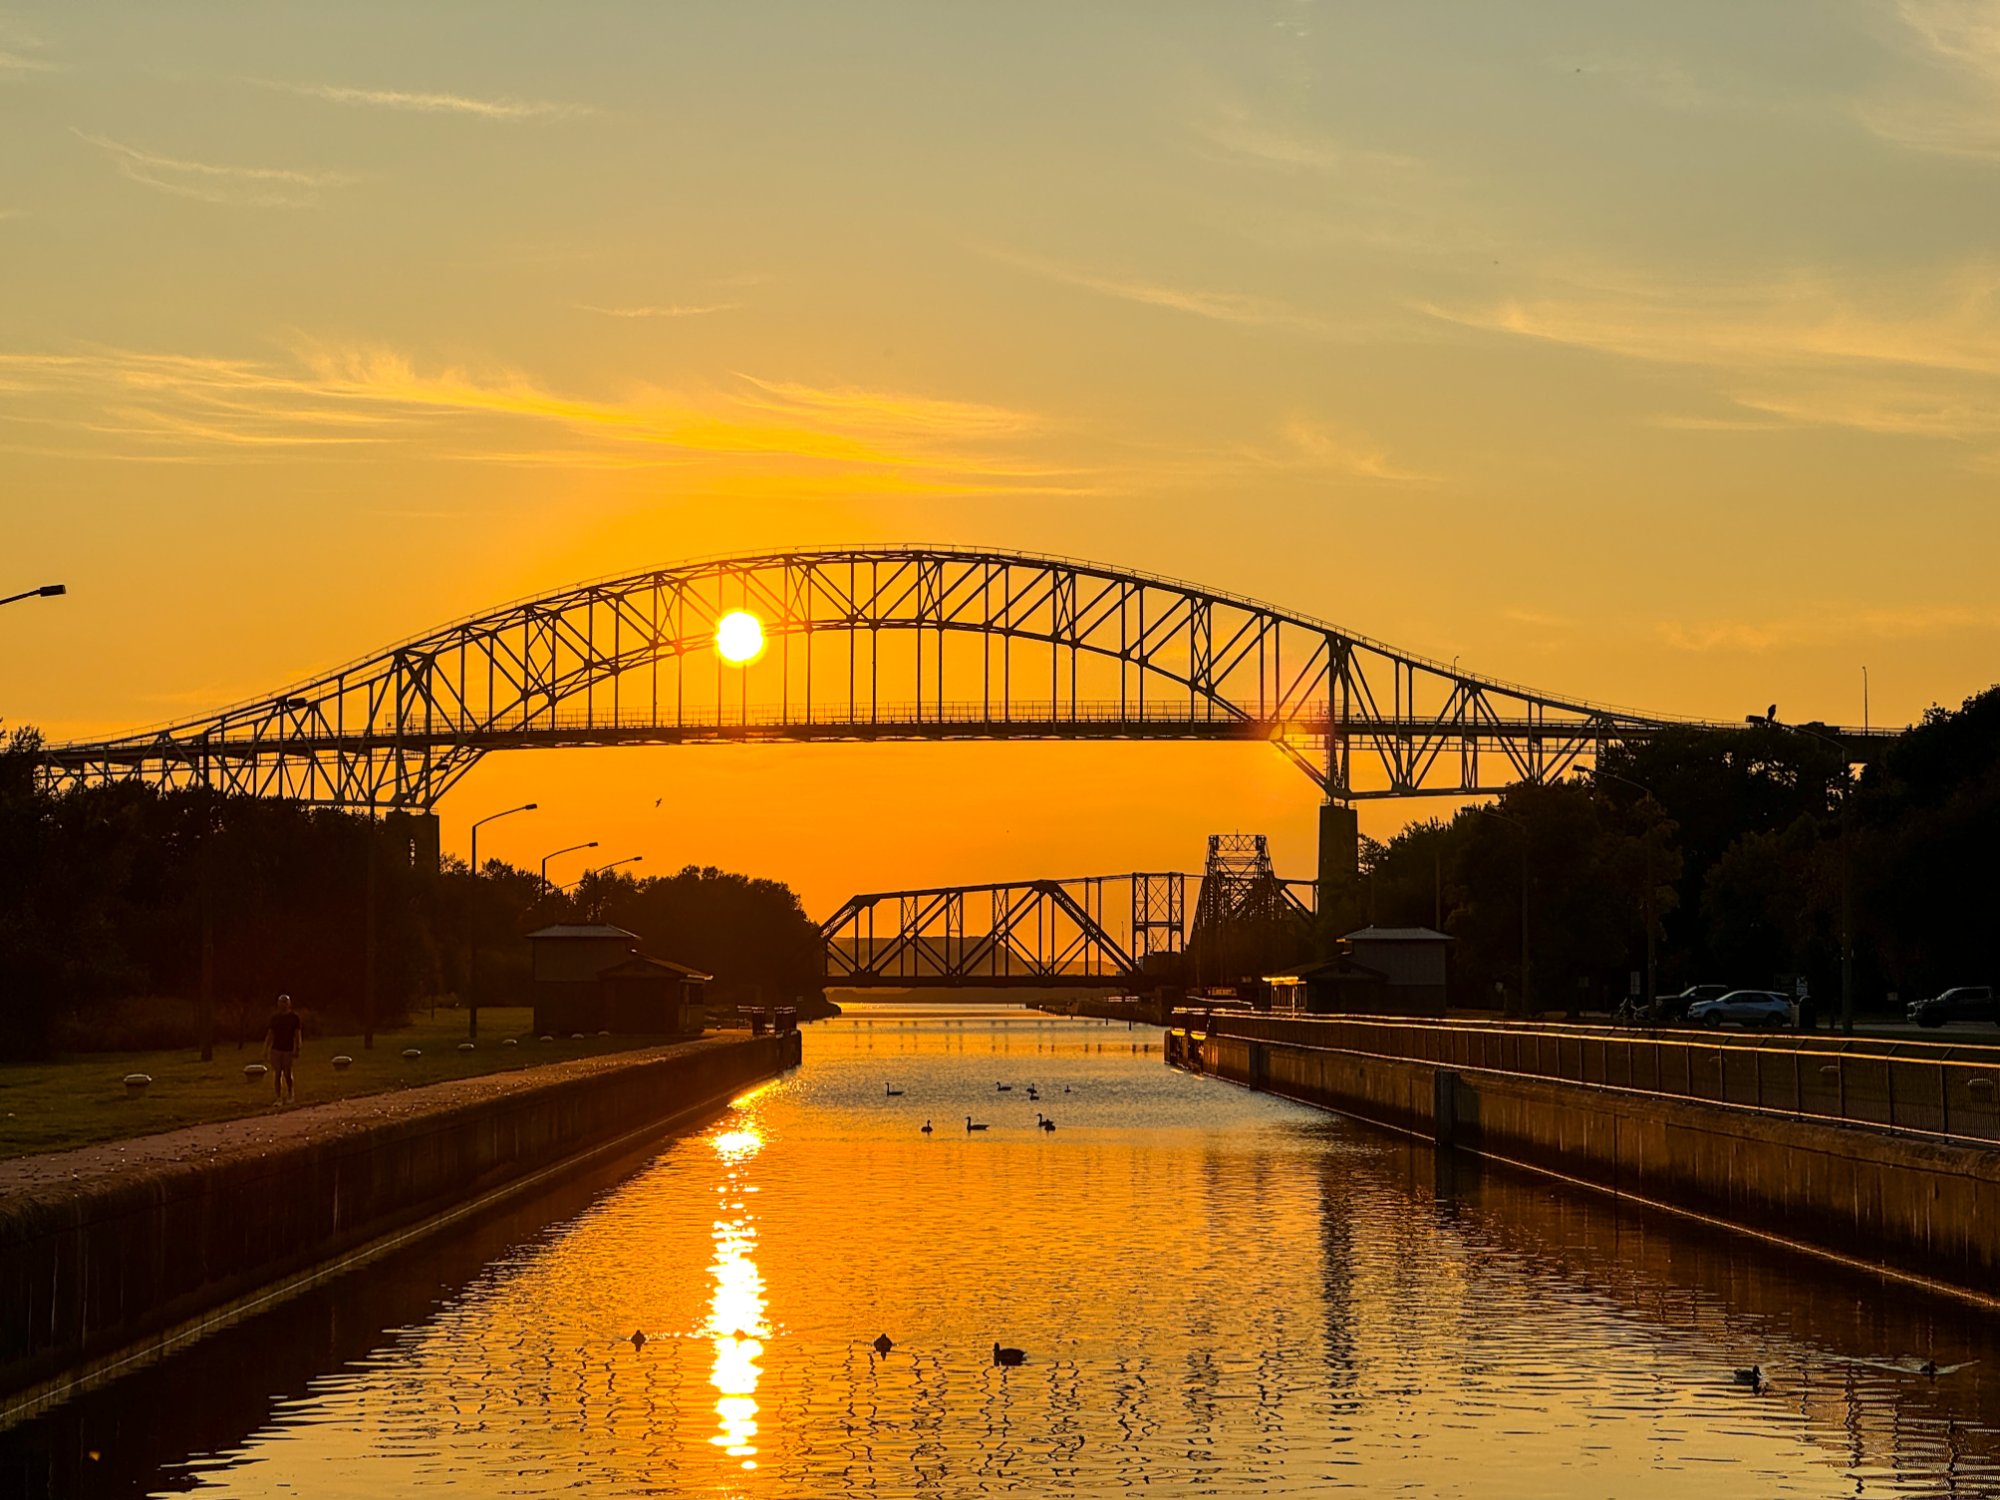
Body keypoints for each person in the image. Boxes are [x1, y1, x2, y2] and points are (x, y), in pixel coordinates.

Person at [264, 993, 303, 1105]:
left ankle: (291, 1093)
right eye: (281, 1002)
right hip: (276, 1049)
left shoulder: (294, 1018)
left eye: (285, 1002)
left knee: (287, 1073)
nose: (283, 1004)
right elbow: (270, 1034)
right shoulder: (275, 1018)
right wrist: (266, 1048)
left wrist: (298, 1047)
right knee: (277, 1073)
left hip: (288, 1049)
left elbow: (297, 1034)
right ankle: (278, 1097)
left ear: (289, 1004)